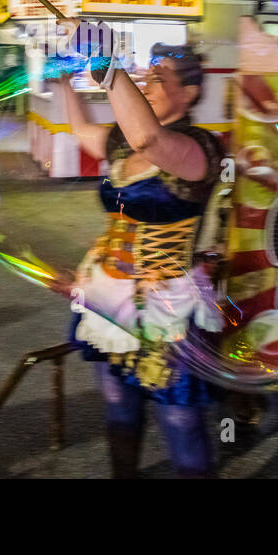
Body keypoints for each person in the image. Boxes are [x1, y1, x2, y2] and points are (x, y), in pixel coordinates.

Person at [51, 43, 224, 478]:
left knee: (181, 423)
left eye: (158, 77)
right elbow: (79, 129)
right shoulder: (121, 142)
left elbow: (151, 137)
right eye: (144, 75)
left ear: (188, 93)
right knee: (118, 409)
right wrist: (62, 78)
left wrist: (108, 66)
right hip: (107, 294)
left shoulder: (200, 148)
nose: (147, 83)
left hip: (166, 308)